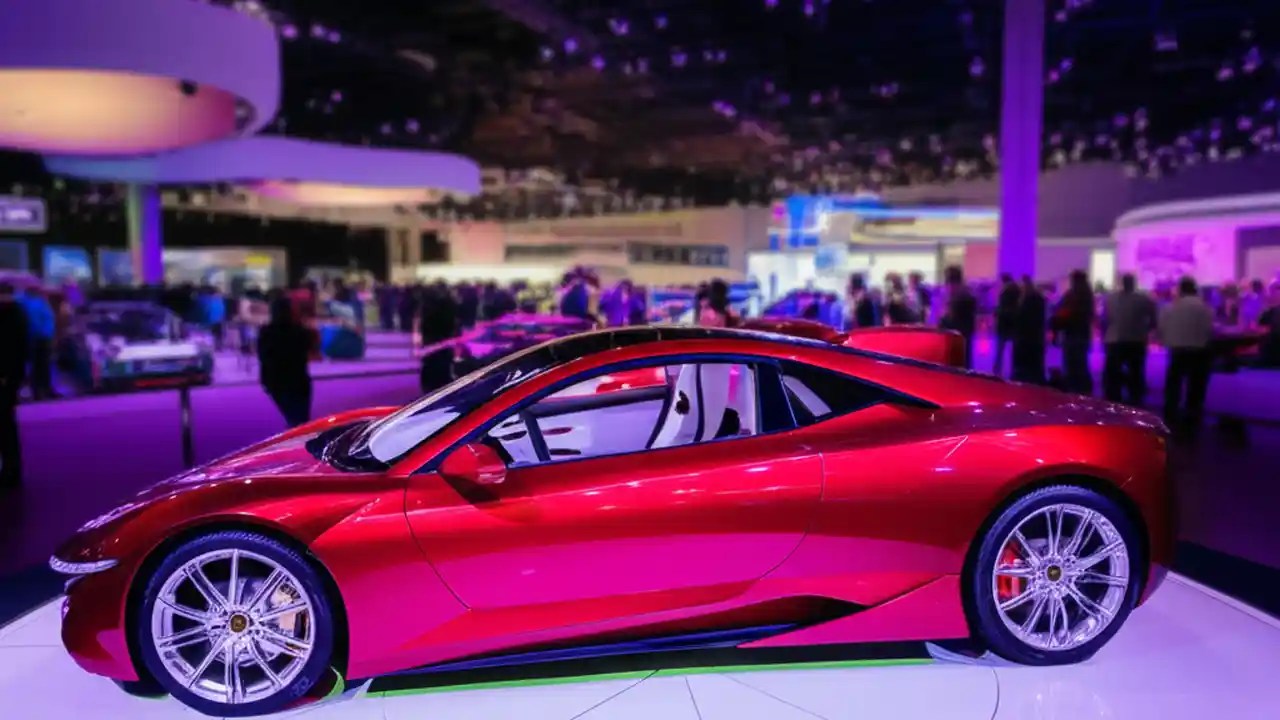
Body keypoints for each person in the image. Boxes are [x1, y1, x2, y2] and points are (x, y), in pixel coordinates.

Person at [1158, 276, 1215, 432]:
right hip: (1199, 350)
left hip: (1177, 350)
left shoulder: (1169, 308)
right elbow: (1209, 330)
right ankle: (1193, 413)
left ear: (1180, 289)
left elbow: (1161, 328)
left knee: (1174, 384)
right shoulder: (1206, 308)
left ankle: (1170, 412)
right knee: (1196, 386)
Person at [257, 297, 314, 428]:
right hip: (297, 377)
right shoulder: (299, 330)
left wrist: (264, 379)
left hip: (276, 379)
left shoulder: (267, 332)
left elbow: (264, 357)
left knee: (291, 415)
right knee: (301, 418)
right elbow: (310, 348)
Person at [1101, 274, 1157, 405]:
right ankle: (1136, 401)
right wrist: (1144, 331)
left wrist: (1105, 336)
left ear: (1122, 283)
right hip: (1136, 340)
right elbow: (1153, 321)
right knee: (1136, 372)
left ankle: (1113, 402)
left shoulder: (1110, 299)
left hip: (1114, 340)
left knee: (1113, 374)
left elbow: (1104, 320)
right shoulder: (1144, 299)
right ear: (1134, 283)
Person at [0, 283, 28, 488]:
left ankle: (11, 470)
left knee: (5, 423)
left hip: (6, 375)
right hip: (10, 374)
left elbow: (11, 347)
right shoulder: (17, 312)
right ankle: (11, 469)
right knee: (6, 422)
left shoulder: (10, 314)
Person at [1054, 270, 1095, 395]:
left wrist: (1057, 323)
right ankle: (1084, 391)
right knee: (1081, 364)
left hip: (1071, 333)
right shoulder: (1088, 296)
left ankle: (1073, 392)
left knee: (1071, 364)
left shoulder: (1071, 296)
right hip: (1083, 333)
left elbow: (1062, 312)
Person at [18, 286, 57, 400]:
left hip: (44, 337)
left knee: (44, 364)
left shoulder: (41, 302)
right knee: (36, 365)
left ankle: (45, 389)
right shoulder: (23, 303)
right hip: (33, 337)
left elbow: (49, 319)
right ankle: (38, 391)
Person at [419, 283, 459, 394]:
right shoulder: (449, 306)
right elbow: (452, 326)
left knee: (430, 369)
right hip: (444, 343)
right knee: (443, 370)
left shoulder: (427, 306)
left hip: (430, 343)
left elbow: (423, 326)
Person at [1010, 276, 1047, 384]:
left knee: (1024, 369)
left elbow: (1020, 319)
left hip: (1024, 340)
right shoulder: (1040, 299)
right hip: (1036, 339)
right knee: (1035, 368)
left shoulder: (1025, 301)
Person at [940, 266, 977, 368]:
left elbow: (951, 322)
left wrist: (943, 318)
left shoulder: (959, 300)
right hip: (963, 338)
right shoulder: (967, 296)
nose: (946, 287)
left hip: (957, 340)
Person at [993, 273, 1020, 377]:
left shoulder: (1004, 292)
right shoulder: (1017, 291)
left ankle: (997, 368)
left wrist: (997, 313)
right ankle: (1014, 369)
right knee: (1013, 350)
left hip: (1003, 324)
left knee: (1000, 348)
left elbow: (1001, 308)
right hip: (1013, 323)